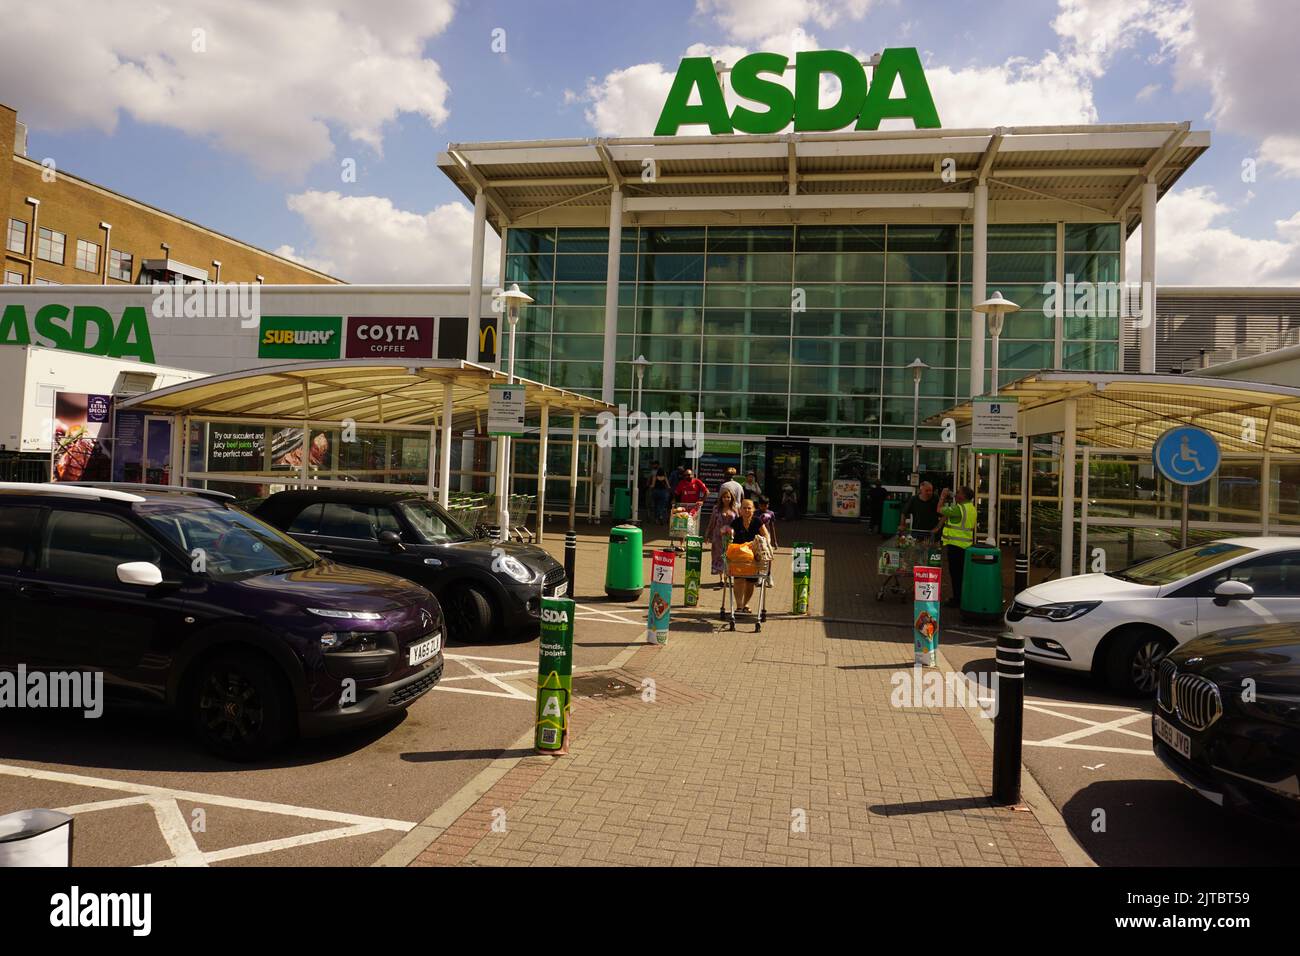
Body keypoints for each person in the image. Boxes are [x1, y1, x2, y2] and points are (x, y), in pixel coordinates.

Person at [729, 498, 771, 614]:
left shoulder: (757, 521)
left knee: (750, 582)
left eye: (749, 508)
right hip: (739, 558)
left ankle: (746, 603)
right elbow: (729, 536)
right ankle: (739, 605)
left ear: (753, 510)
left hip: (754, 557)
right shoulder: (736, 522)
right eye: (744, 508)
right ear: (740, 510)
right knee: (738, 580)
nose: (747, 510)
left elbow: (766, 534)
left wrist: (766, 544)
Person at [938, 486, 977, 608]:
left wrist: (942, 497)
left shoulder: (959, 509)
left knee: (956, 575)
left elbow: (939, 509)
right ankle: (962, 597)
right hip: (966, 546)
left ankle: (957, 600)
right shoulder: (971, 508)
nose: (955, 494)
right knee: (962, 574)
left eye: (958, 493)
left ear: (963, 496)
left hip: (956, 547)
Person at [705, 486, 739, 584]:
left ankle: (729, 577)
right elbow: (712, 522)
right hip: (718, 537)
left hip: (731, 538)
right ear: (721, 498)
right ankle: (721, 579)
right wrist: (707, 534)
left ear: (731, 498)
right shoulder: (716, 508)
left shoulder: (735, 509)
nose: (726, 499)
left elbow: (738, 522)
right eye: (724, 497)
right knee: (719, 556)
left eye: (728, 497)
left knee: (730, 556)